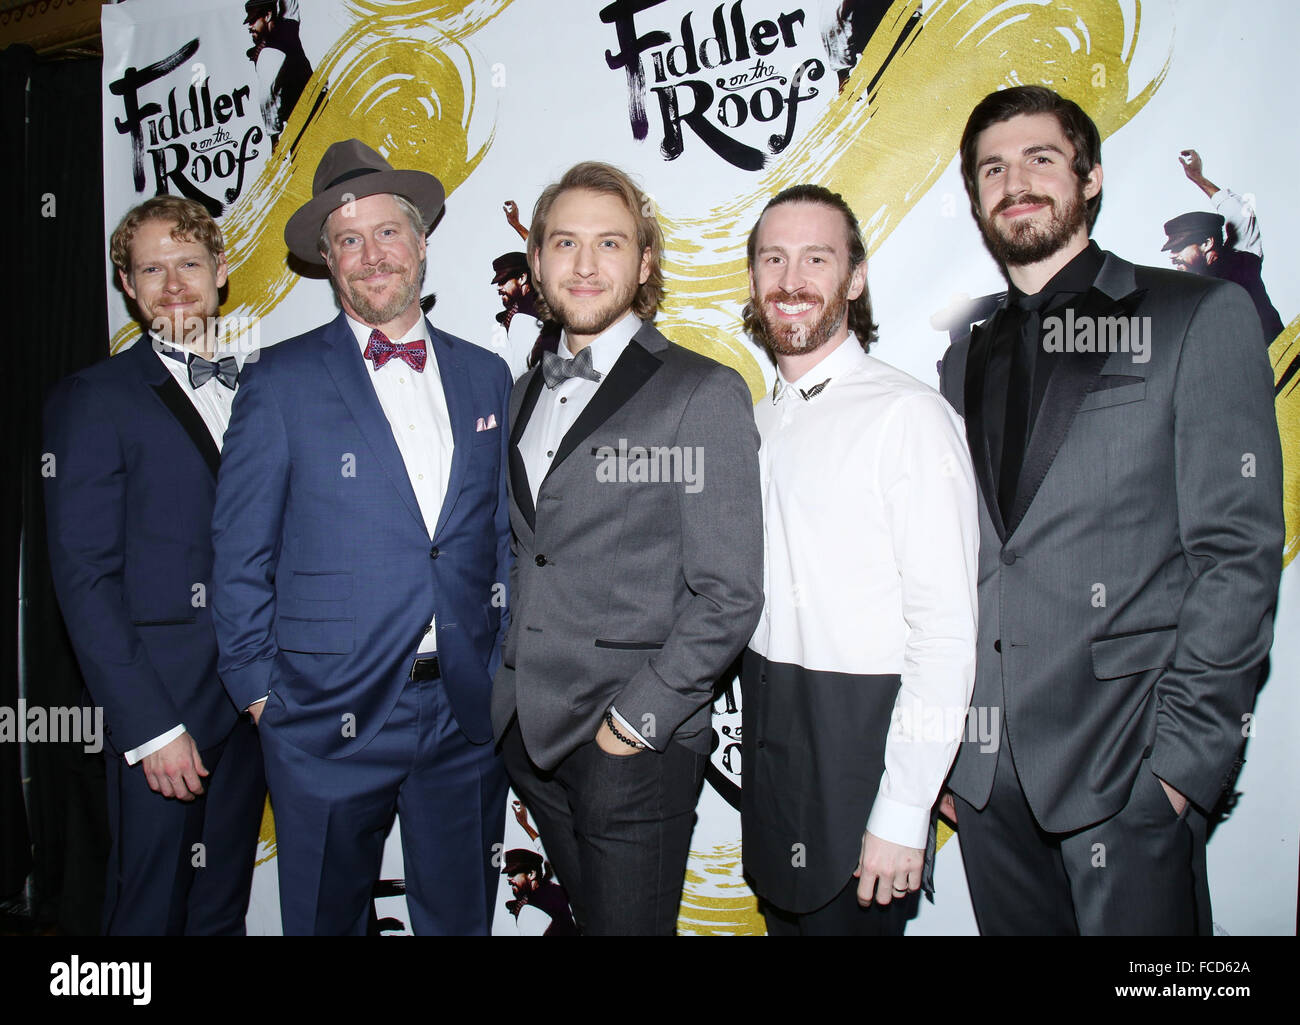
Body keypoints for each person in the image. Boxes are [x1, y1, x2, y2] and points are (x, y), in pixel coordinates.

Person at [938, 85, 1283, 934]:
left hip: (1128, 770)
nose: (1015, 181)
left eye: (1041, 159)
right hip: (985, 785)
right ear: (976, 196)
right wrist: (945, 751)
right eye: (994, 167)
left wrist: (1180, 767)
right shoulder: (961, 352)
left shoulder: (1196, 315)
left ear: (1090, 177)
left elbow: (1237, 551)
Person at [212, 138, 512, 935]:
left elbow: (497, 537)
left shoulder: (487, 374)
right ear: (327, 260)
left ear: (421, 243)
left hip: (463, 713)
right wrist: (259, 691)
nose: (371, 255)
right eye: (348, 240)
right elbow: (239, 555)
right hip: (322, 718)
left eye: (387, 233)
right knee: (322, 919)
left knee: (461, 921)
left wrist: (498, 663)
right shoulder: (276, 382)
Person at [490, 161, 763, 936]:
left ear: (644, 263)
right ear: (536, 261)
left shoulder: (700, 392)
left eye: (609, 243)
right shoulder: (524, 390)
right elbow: (529, 551)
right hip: (527, 736)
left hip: (632, 745)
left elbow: (730, 592)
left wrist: (634, 724)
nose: (584, 264)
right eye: (564, 242)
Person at [739, 184, 978, 936]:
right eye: (773, 258)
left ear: (857, 277)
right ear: (751, 280)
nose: (792, 278)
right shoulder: (754, 420)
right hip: (774, 756)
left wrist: (905, 809)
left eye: (817, 257)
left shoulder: (908, 417)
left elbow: (945, 632)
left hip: (862, 762)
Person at [43, 197, 265, 935]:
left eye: (189, 264)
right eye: (151, 269)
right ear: (128, 286)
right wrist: (150, 725)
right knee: (144, 916)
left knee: (218, 910)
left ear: (221, 272)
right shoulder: (94, 399)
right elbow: (84, 576)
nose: (173, 285)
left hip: (256, 711)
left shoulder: (262, 388)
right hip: (166, 716)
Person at [1161, 149, 1283, 340]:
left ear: (1207, 243)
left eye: (1179, 247)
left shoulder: (1242, 259)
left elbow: (1238, 212)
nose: (1172, 256)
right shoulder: (1189, 291)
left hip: (1281, 359)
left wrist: (1197, 177)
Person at [243, 0, 313, 149]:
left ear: (268, 15)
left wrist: (273, 137)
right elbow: (290, 4)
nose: (250, 27)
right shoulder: (289, 26)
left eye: (253, 20)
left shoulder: (269, 53)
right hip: (322, 110)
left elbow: (266, 98)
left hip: (304, 128)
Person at [500, 848, 579, 936]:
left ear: (531, 874)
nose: (508, 878)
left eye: (513, 873)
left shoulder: (528, 910)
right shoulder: (554, 888)